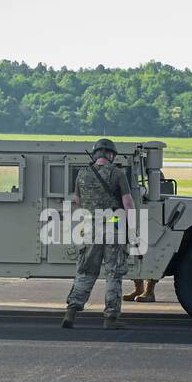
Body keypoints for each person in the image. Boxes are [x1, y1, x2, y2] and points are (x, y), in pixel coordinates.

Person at [62, 138, 136, 330]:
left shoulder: (82, 173)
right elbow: (128, 203)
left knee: (86, 271)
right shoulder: (117, 173)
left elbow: (78, 201)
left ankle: (71, 311)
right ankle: (110, 318)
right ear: (111, 155)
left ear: (95, 154)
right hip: (114, 225)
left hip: (91, 227)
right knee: (113, 273)